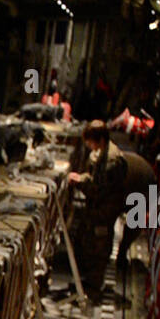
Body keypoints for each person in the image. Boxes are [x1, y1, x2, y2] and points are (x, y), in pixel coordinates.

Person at [66, 121, 129, 296]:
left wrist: (79, 181)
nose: (89, 147)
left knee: (99, 247)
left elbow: (98, 188)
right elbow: (94, 177)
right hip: (97, 208)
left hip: (105, 210)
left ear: (100, 140)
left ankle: (94, 285)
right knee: (87, 243)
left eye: (91, 142)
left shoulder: (111, 161)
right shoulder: (100, 154)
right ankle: (87, 280)